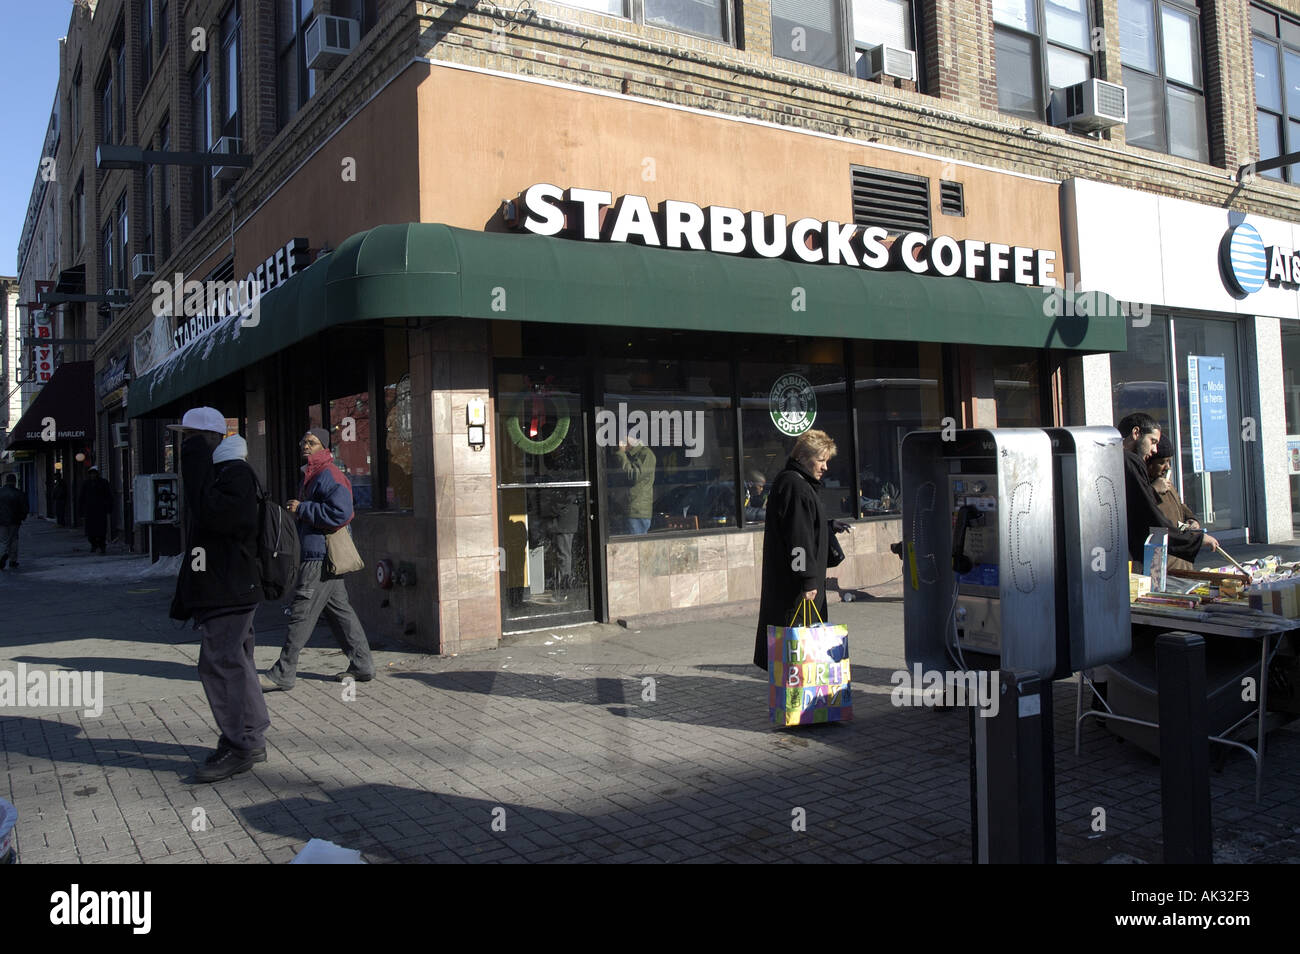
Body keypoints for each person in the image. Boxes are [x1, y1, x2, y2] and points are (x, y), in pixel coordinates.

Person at [167, 409, 270, 783]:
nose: (184, 444)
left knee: (219, 663)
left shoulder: (234, 473)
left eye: (190, 437)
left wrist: (194, 461)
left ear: (208, 438)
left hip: (232, 588)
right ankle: (250, 735)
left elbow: (217, 518)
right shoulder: (220, 472)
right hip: (224, 587)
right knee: (236, 661)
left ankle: (239, 744)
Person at [263, 428, 375, 690]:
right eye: (303, 441)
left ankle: (283, 672)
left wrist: (302, 508)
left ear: (323, 447)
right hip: (319, 554)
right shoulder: (314, 475)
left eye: (311, 442)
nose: (305, 445)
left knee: (301, 612)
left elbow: (342, 512)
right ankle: (362, 665)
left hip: (320, 556)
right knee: (340, 614)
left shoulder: (329, 475)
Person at [753, 429, 837, 670]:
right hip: (795, 589)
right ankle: (797, 701)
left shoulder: (798, 483)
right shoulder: (795, 485)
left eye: (827, 461)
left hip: (796, 584)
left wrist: (828, 526)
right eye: (821, 460)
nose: (825, 467)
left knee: (798, 649)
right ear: (802, 456)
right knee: (797, 647)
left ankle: (798, 697)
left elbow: (804, 525)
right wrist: (808, 581)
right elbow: (798, 537)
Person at [1118, 412, 1217, 570]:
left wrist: (1190, 524)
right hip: (1158, 563)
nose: (1154, 449)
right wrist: (1194, 538)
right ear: (1136, 433)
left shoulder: (1166, 485)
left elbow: (1177, 515)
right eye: (1152, 442)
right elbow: (1152, 518)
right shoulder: (1130, 462)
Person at [1146, 436, 1200, 574]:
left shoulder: (1166, 482)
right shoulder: (1145, 486)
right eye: (1162, 462)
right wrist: (1153, 490)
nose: (1167, 467)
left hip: (1183, 564)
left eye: (1169, 461)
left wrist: (1191, 519)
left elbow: (1179, 505)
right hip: (1165, 567)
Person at [613, 437, 656, 534]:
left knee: (636, 544)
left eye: (624, 439)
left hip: (637, 512)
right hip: (630, 509)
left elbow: (633, 475)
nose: (621, 443)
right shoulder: (632, 455)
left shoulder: (646, 454)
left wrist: (621, 454)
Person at [79, 467, 113, 553]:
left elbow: (108, 496)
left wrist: (108, 508)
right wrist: (81, 511)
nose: (93, 475)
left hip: (100, 510)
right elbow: (81, 498)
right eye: (91, 474)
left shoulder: (103, 483)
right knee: (91, 530)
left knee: (101, 529)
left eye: (94, 473)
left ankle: (102, 545)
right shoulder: (86, 484)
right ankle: (94, 544)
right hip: (90, 510)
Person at [0, 474, 29, 570]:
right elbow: (25, 508)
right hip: (15, 521)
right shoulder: (19, 493)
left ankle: (3, 554)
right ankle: (13, 560)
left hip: (2, 521)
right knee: (14, 539)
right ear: (15, 482)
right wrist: (22, 517)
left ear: (5, 481)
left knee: (3, 540)